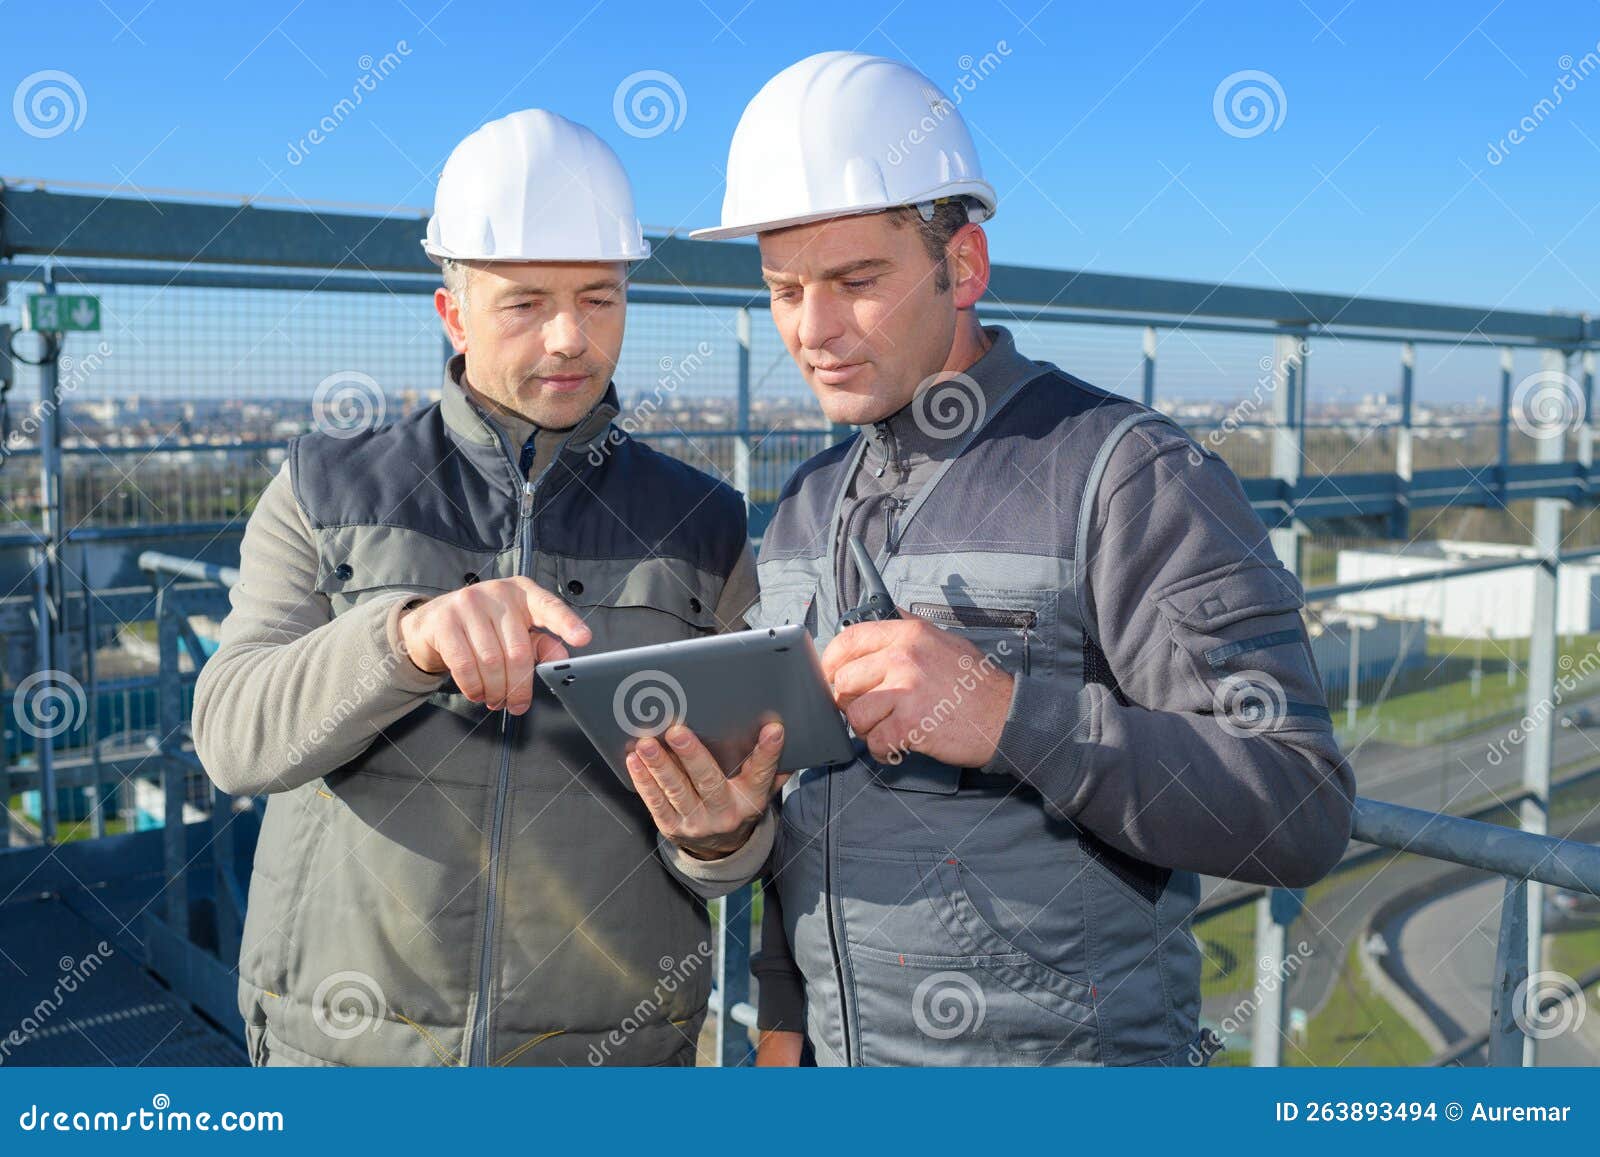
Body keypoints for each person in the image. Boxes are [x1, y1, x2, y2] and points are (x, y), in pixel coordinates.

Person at [674, 51, 1356, 1066]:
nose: (811, 331)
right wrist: (729, 852)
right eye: (782, 290)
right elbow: (808, 820)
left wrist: (1005, 716)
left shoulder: (1128, 473)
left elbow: (1297, 808)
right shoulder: (808, 506)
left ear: (964, 265)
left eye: (857, 281)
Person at [192, 109, 778, 1067]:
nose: (569, 338)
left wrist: (723, 841)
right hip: (344, 1054)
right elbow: (232, 738)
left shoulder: (705, 526)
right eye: (524, 302)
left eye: (600, 298)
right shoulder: (322, 489)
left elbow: (742, 837)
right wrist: (405, 640)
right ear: (451, 310)